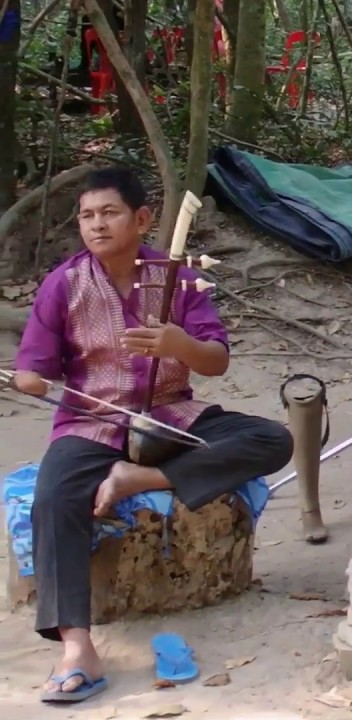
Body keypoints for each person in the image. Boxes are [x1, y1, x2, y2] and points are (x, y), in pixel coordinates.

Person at [8, 168, 294, 704]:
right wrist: (29, 378)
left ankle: (141, 477)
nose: (97, 225)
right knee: (53, 496)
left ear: (141, 218)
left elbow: (216, 361)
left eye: (109, 213)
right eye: (87, 216)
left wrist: (179, 344)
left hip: (171, 414)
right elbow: (35, 367)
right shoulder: (64, 283)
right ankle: (76, 647)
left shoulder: (178, 279)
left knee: (272, 439)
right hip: (93, 421)